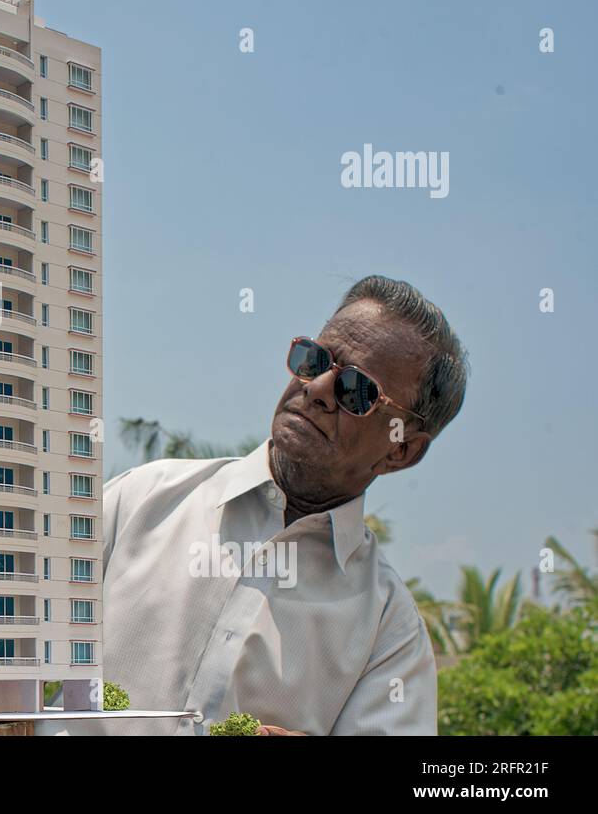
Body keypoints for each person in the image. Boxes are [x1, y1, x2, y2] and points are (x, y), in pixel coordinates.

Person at [55, 276, 467, 736]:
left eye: (356, 390)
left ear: (401, 450)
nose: (317, 389)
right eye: (315, 361)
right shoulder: (139, 501)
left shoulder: (388, 632)